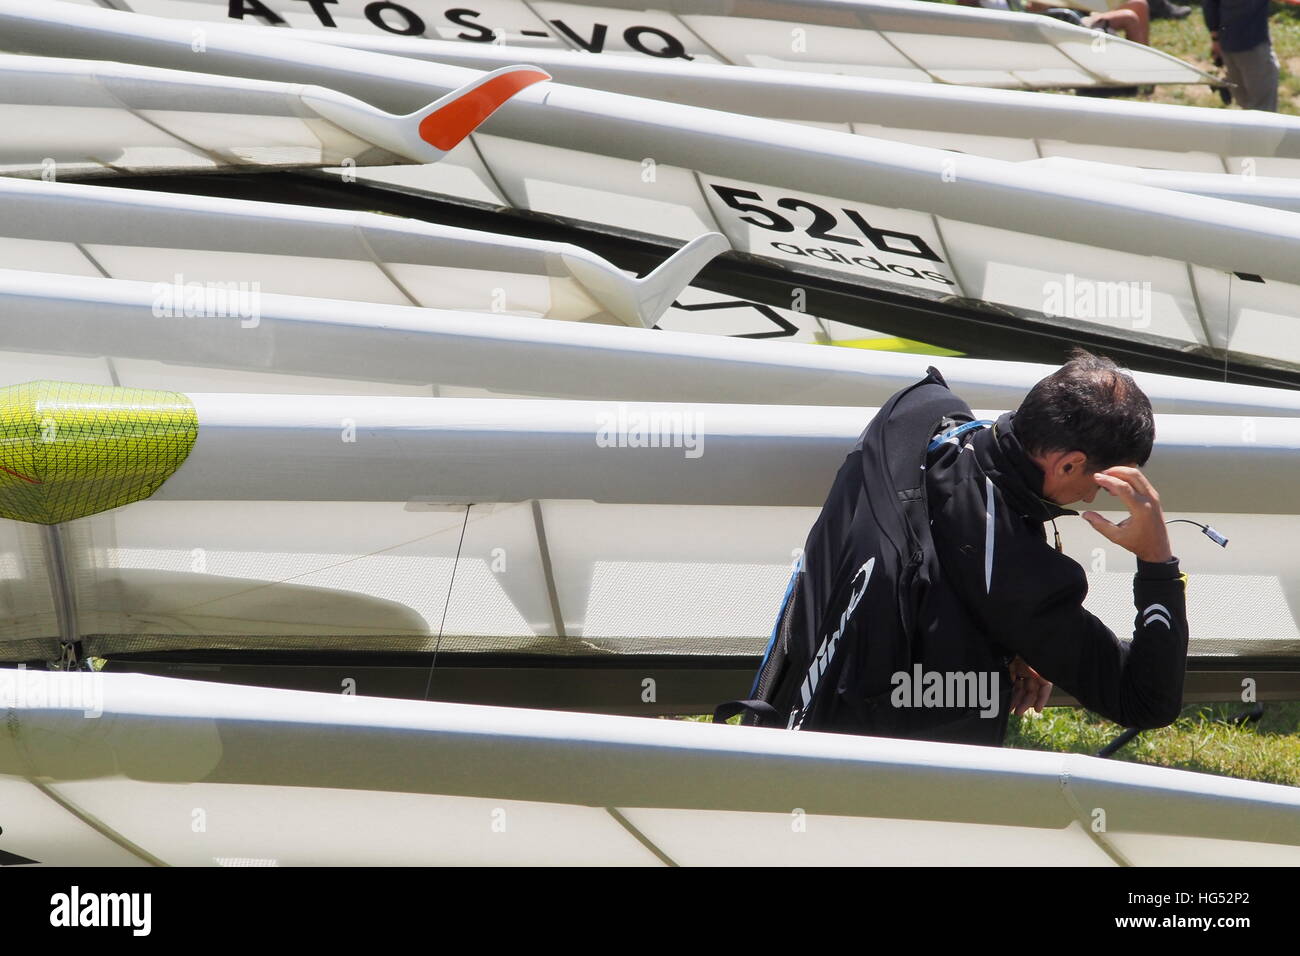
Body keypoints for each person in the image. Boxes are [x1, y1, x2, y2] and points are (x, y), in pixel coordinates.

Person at [723, 350, 1189, 747]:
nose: (1092, 498)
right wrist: (1156, 564)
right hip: (883, 796)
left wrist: (1014, 640)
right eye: (1100, 484)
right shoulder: (1013, 571)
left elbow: (946, 551)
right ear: (1068, 464)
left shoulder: (918, 411)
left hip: (785, 717)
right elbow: (1145, 700)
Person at [1205, 0, 1280, 112]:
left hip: (1227, 43)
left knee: (1246, 106)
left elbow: (1210, 5)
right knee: (1263, 110)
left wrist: (1215, 39)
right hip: (1253, 46)